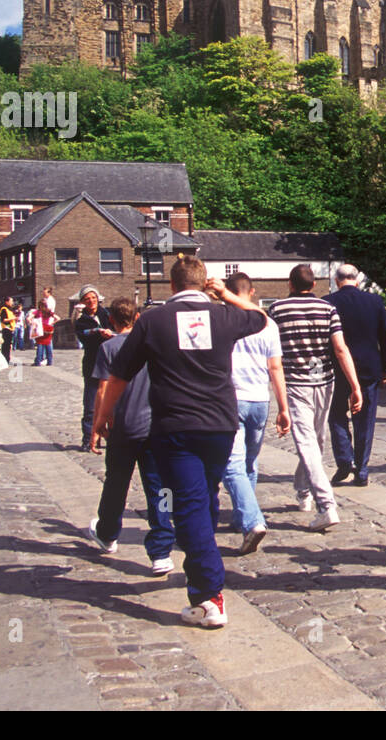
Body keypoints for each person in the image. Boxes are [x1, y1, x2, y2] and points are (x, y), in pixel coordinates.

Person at [97, 255, 267, 629]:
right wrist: (226, 295)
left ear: (171, 285)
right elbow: (260, 317)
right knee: (203, 497)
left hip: (176, 427)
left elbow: (119, 375)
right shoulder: (224, 316)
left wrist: (102, 417)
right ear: (204, 282)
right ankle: (199, 578)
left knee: (187, 506)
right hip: (220, 425)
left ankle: (208, 596)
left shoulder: (153, 321)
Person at [267, 264, 363, 531]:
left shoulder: (276, 310)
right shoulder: (327, 309)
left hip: (296, 382)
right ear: (315, 285)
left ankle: (326, 505)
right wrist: (355, 385)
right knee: (313, 441)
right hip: (325, 381)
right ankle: (304, 491)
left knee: (310, 443)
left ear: (290, 284)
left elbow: (271, 351)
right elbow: (340, 349)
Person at [86, 297, 176, 576]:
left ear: (111, 320)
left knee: (115, 484)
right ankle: (161, 550)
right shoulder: (153, 345)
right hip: (154, 426)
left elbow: (103, 388)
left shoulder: (108, 347)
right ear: (137, 318)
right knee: (159, 488)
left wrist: (96, 424)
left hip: (122, 426)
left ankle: (108, 533)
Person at [222, 272, 290, 554]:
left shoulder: (223, 319)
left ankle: (251, 520)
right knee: (249, 462)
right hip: (260, 400)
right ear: (253, 291)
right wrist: (283, 407)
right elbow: (276, 368)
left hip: (232, 398)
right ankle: (240, 518)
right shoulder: (269, 325)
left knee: (232, 465)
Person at [324, 263, 386, 487]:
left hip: (338, 367)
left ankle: (345, 460)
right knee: (365, 420)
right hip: (368, 367)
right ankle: (361, 469)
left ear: (337, 280)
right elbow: (385, 336)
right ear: (358, 279)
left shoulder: (327, 302)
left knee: (336, 415)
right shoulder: (374, 301)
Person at [74, 286, 114, 451]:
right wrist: (98, 332)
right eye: (87, 299)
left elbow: (119, 329)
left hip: (110, 363)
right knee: (90, 404)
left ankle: (112, 438)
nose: (91, 301)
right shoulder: (81, 321)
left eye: (93, 298)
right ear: (83, 302)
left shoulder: (107, 315)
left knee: (112, 402)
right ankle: (88, 439)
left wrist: (110, 332)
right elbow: (84, 337)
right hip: (92, 364)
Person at [0, 296, 18, 363]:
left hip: (10, 329)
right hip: (6, 328)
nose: (12, 302)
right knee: (6, 345)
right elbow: (4, 319)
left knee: (8, 345)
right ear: (7, 302)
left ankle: (7, 358)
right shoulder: (4, 309)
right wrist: (13, 318)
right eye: (11, 301)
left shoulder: (9, 309)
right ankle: (5, 358)